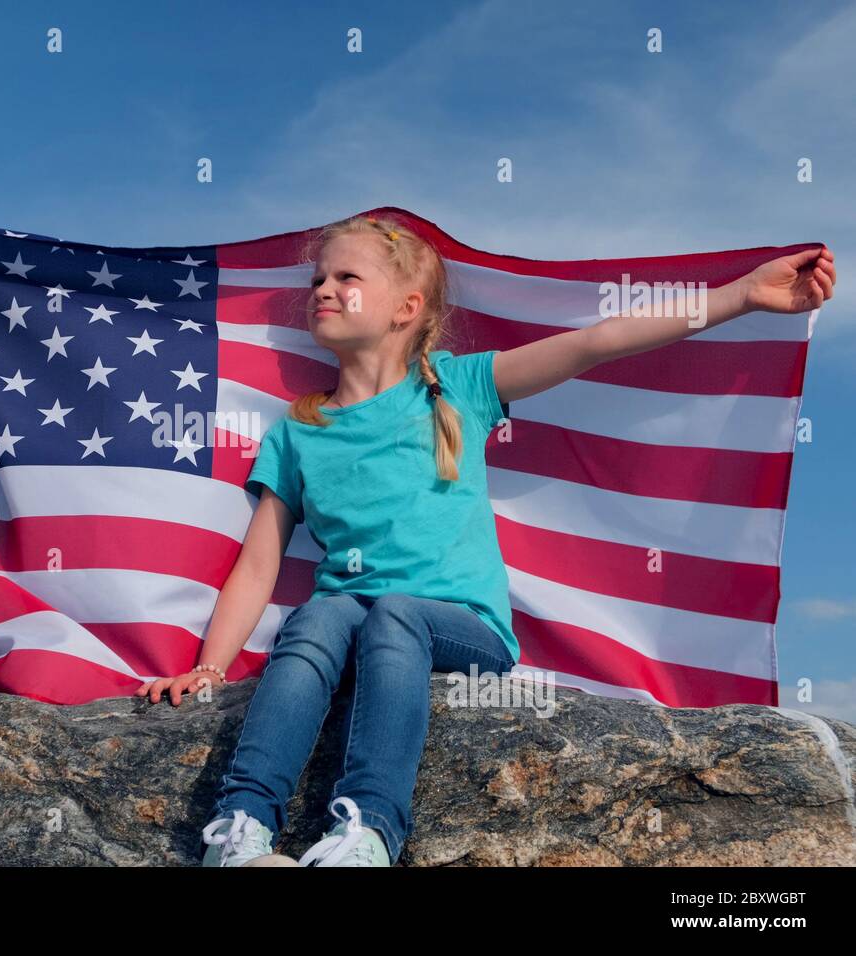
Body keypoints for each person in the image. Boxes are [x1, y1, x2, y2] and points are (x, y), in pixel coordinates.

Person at [138, 212, 836, 867]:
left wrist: (742, 295)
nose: (324, 289)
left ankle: (367, 832)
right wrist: (210, 668)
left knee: (396, 611)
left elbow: (597, 341)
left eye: (347, 278)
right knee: (318, 614)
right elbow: (257, 567)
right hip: (348, 624)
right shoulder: (299, 432)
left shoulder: (460, 389)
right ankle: (241, 829)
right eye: (318, 279)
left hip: (460, 630)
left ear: (406, 309)